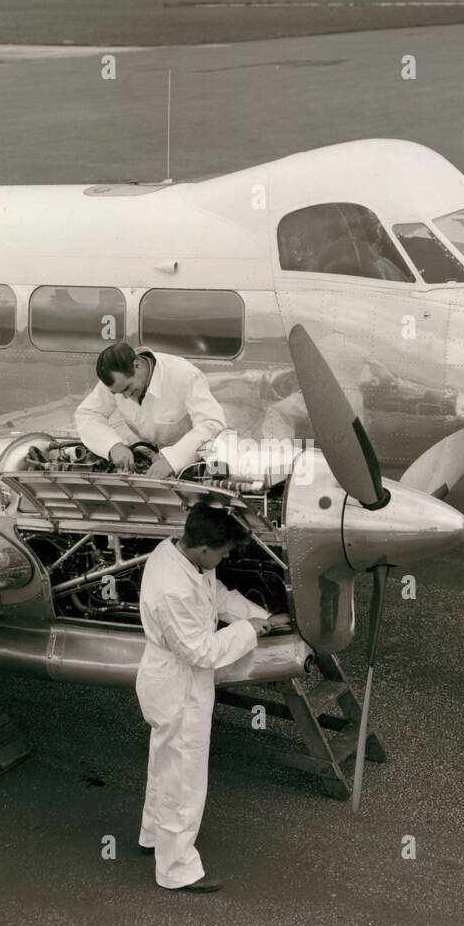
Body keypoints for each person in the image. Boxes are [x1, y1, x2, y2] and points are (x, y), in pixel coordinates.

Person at [136, 502, 290, 893]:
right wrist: (252, 631)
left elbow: (217, 596)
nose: (225, 559)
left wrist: (264, 619)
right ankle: (176, 869)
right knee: (184, 781)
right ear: (204, 549)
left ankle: (153, 836)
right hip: (178, 685)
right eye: (222, 553)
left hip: (171, 679)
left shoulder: (180, 555)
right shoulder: (173, 587)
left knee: (165, 764)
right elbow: (201, 651)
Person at [74, 342, 227, 479]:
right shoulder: (117, 381)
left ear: (136, 365)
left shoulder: (184, 375)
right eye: (119, 393)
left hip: (194, 464)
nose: (126, 396)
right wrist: (113, 446)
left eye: (127, 388)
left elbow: (211, 423)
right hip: (151, 463)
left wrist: (172, 460)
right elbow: (87, 415)